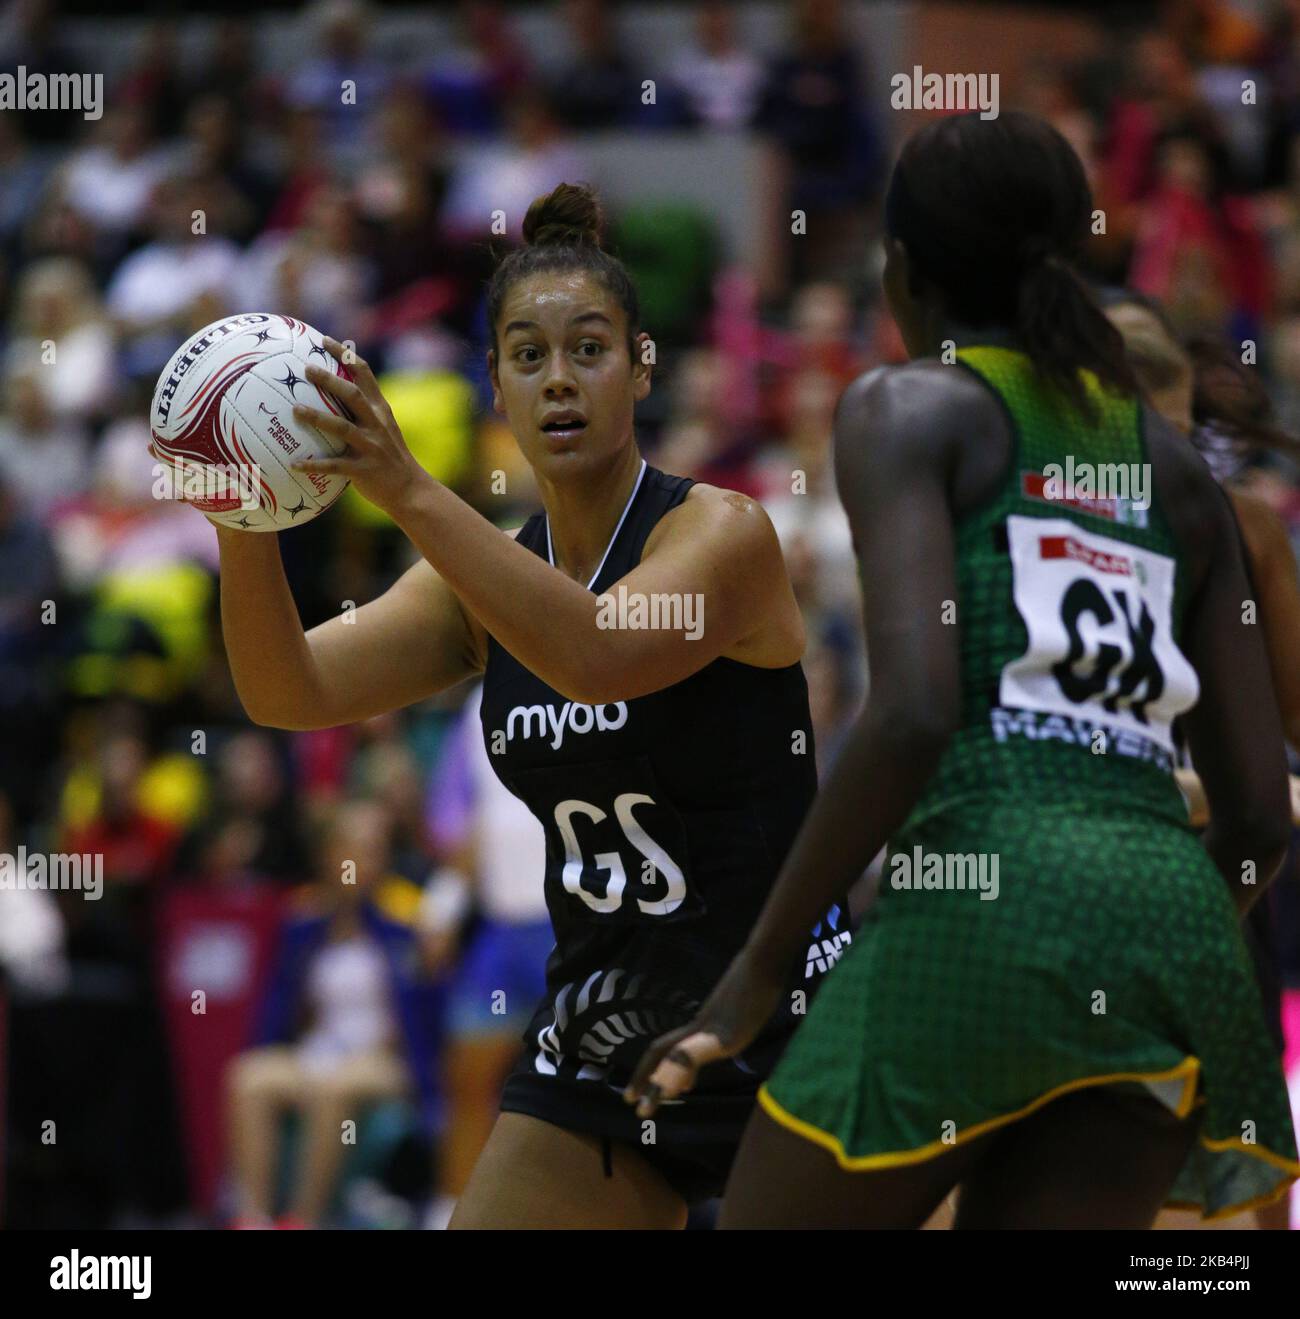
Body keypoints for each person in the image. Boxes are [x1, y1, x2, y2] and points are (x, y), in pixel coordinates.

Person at [626, 111, 1300, 1228]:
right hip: (1174, 933)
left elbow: (913, 708)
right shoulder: (1176, 472)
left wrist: (758, 966)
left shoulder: (910, 404)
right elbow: (1262, 823)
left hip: (986, 897)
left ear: (903, 268)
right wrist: (1162, 921)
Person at [207, 183, 843, 1228]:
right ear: (494, 381)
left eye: (589, 350)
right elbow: (288, 690)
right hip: (605, 1030)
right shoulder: (485, 576)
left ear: (640, 369)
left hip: (788, 1018)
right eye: (528, 355)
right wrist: (243, 510)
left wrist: (410, 490)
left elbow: (592, 652)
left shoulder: (720, 535)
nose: (559, 381)